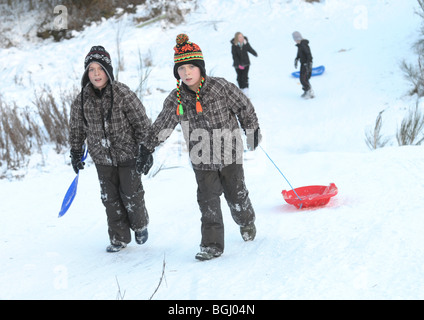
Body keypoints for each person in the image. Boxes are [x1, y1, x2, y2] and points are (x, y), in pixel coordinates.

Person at [142, 34, 261, 261]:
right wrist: (147, 148)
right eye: (181, 68)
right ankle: (212, 245)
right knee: (207, 201)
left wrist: (252, 130)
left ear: (201, 68)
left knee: (236, 196)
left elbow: (245, 107)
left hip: (230, 154)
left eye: (191, 67)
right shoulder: (177, 98)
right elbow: (163, 124)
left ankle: (246, 221)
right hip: (202, 158)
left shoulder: (220, 87)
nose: (186, 73)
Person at [69, 45, 153, 253]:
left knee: (131, 194)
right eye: (91, 69)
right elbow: (77, 128)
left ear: (108, 71)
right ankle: (119, 237)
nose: (96, 74)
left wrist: (146, 149)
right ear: (86, 73)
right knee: (110, 198)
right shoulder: (81, 100)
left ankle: (140, 225)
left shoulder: (123, 93)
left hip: (127, 154)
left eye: (100, 69)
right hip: (101, 157)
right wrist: (76, 151)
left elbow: (141, 122)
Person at [231, 32, 258, 97]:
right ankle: (241, 90)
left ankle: (246, 92)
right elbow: (234, 56)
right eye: (240, 37)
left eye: (242, 37)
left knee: (245, 77)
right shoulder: (234, 46)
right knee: (239, 77)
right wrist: (238, 64)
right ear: (237, 38)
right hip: (237, 65)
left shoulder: (246, 43)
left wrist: (255, 53)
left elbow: (250, 49)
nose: (242, 38)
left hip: (246, 64)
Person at [293, 31, 314, 99]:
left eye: (295, 39)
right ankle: (306, 91)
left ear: (298, 38)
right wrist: (296, 59)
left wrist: (309, 64)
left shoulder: (304, 45)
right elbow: (299, 54)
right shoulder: (300, 45)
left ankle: (310, 92)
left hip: (306, 64)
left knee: (304, 79)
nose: (294, 41)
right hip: (303, 63)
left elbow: (309, 55)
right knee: (302, 78)